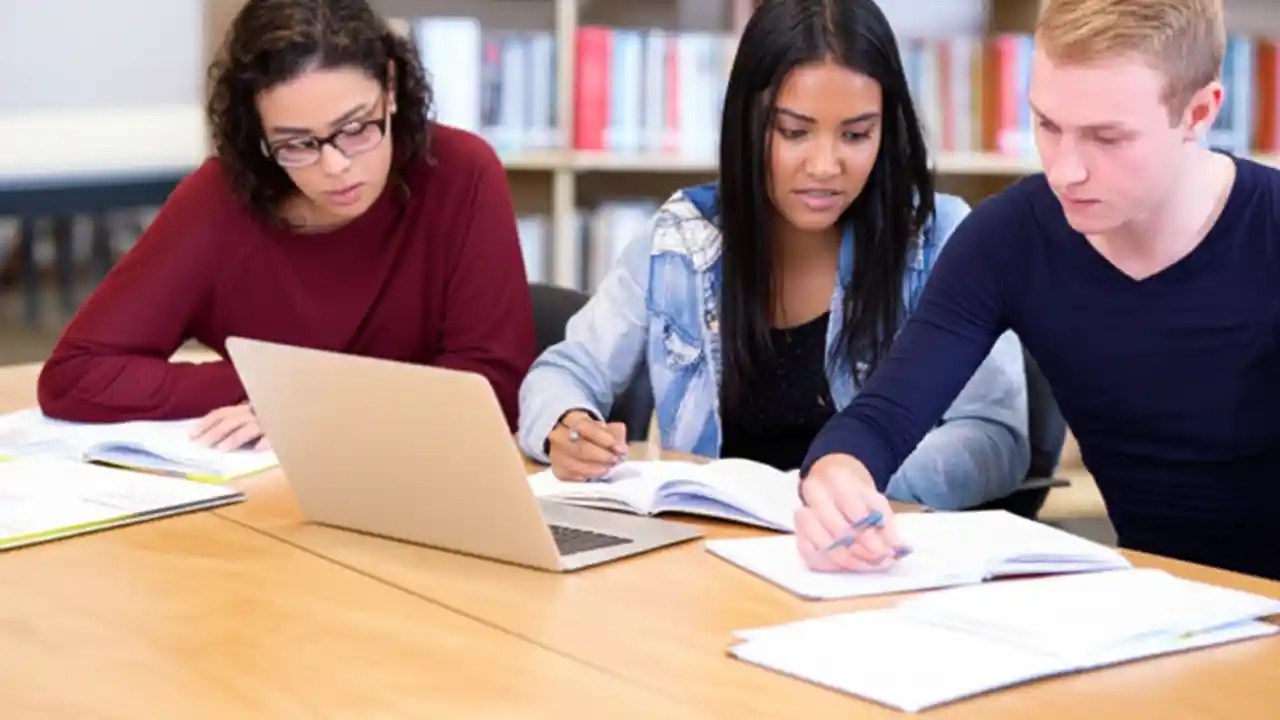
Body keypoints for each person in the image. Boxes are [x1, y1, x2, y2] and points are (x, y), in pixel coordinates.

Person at [796, 0, 1280, 581]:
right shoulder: (1011, 237)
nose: (1065, 171)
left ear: (1198, 113)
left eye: (1107, 137)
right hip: (1153, 612)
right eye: (1048, 125)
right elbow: (883, 417)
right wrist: (838, 477)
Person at [517, 0, 1030, 510]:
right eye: (794, 132)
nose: (826, 165)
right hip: (714, 550)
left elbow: (994, 440)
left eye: (856, 134)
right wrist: (567, 425)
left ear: (886, 129)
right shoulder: (680, 238)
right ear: (748, 122)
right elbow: (565, 371)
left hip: (871, 549)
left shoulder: (940, 238)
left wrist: (851, 480)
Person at [36, 0, 535, 449]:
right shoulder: (218, 199)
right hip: (261, 503)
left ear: (390, 87)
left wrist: (317, 407)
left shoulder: (460, 171)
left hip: (420, 480)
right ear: (258, 134)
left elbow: (493, 387)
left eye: (357, 128)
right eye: (297, 144)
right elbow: (77, 376)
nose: (335, 165)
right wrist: (279, 393)